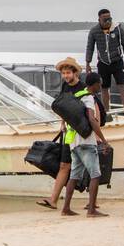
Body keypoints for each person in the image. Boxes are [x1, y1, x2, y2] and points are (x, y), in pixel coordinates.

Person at [61, 72, 112, 218]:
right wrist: (103, 139)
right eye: (99, 83)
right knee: (95, 174)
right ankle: (91, 210)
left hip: (73, 142)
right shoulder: (88, 97)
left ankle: (65, 208)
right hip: (86, 141)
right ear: (94, 84)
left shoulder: (77, 95)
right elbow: (91, 118)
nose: (100, 86)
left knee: (74, 176)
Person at [38, 57, 82, 210]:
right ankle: (53, 199)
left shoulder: (82, 89)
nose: (65, 76)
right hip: (68, 132)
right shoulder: (65, 87)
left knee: (87, 166)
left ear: (75, 73)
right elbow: (62, 107)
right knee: (64, 165)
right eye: (63, 73)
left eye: (68, 73)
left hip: (81, 133)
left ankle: (93, 201)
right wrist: (62, 123)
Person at [85, 8, 124, 113]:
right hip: (103, 62)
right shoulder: (94, 31)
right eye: (105, 19)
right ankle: (106, 112)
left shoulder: (118, 29)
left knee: (122, 85)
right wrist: (87, 63)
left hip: (117, 61)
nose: (108, 22)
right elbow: (90, 47)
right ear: (99, 20)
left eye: (109, 19)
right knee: (104, 88)